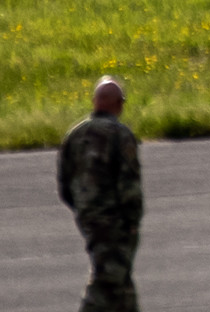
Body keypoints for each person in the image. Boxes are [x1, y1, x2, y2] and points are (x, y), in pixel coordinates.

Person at [59, 76, 146, 312]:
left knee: (121, 278)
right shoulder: (121, 135)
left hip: (88, 217)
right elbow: (129, 185)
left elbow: (64, 183)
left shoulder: (74, 135)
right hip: (114, 220)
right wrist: (132, 221)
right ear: (118, 104)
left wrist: (84, 209)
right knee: (109, 278)